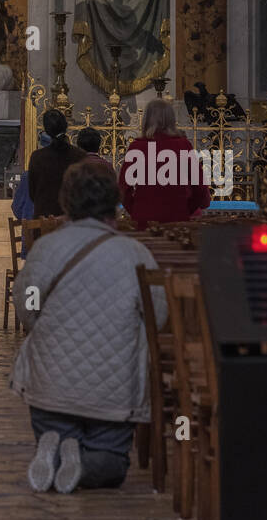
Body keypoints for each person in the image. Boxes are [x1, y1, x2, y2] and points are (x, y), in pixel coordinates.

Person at [11, 158, 168, 493]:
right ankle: (79, 463)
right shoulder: (136, 254)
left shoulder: (47, 248)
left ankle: (54, 449)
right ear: (115, 203)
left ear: (66, 201)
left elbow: (28, 306)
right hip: (113, 392)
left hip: (49, 387)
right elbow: (159, 316)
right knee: (113, 465)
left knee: (56, 425)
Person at [118, 98, 211, 229]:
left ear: (145, 120)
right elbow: (200, 188)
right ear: (171, 120)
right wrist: (186, 209)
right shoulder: (183, 145)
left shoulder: (137, 147)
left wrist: (136, 210)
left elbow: (123, 189)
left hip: (144, 219)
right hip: (177, 218)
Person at [25, 108, 85, 217]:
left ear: (46, 130)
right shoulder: (79, 156)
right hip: (71, 220)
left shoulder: (37, 157)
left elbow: (32, 193)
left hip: (43, 220)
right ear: (65, 126)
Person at [11, 134, 51, 257]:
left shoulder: (28, 176)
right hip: (56, 242)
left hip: (32, 239)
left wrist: (27, 220)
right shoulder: (65, 175)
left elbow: (17, 207)